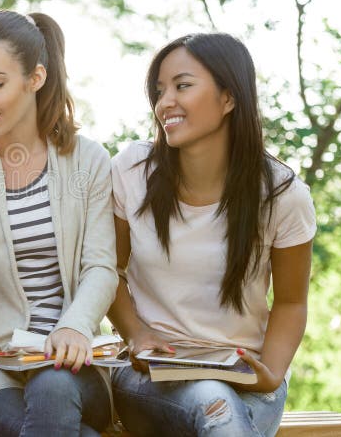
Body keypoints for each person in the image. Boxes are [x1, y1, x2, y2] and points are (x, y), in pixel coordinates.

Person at [108, 33, 315, 437]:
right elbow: (107, 270)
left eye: (182, 86)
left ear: (229, 97)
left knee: (222, 409)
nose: (165, 102)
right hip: (151, 376)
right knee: (214, 405)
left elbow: (291, 301)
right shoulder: (132, 170)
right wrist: (136, 334)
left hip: (247, 379)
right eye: (160, 91)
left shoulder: (282, 194)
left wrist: (271, 373)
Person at [0, 9, 119, 436]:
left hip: (71, 358)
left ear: (36, 78)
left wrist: (74, 325)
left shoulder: (88, 160)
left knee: (53, 387)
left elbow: (101, 267)